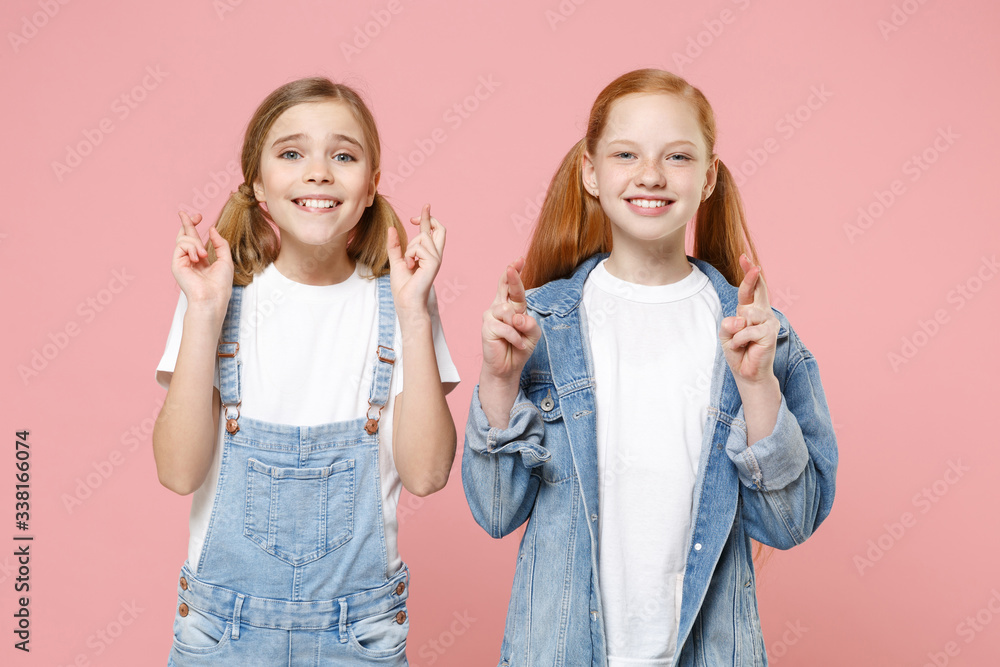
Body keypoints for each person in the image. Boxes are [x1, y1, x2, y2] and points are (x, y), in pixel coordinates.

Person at [462, 68, 837, 666]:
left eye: (679, 156)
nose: (652, 175)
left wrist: (758, 386)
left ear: (710, 176)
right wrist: (501, 383)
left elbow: (789, 523)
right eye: (626, 153)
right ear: (591, 172)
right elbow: (495, 512)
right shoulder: (539, 325)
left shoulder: (760, 333)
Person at [152, 77, 459, 665]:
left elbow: (425, 476)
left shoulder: (400, 300)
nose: (318, 172)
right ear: (258, 185)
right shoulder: (217, 295)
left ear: (371, 186)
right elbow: (177, 471)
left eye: (343, 155)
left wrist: (415, 313)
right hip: (222, 631)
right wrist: (204, 312)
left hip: (360, 633)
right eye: (292, 153)